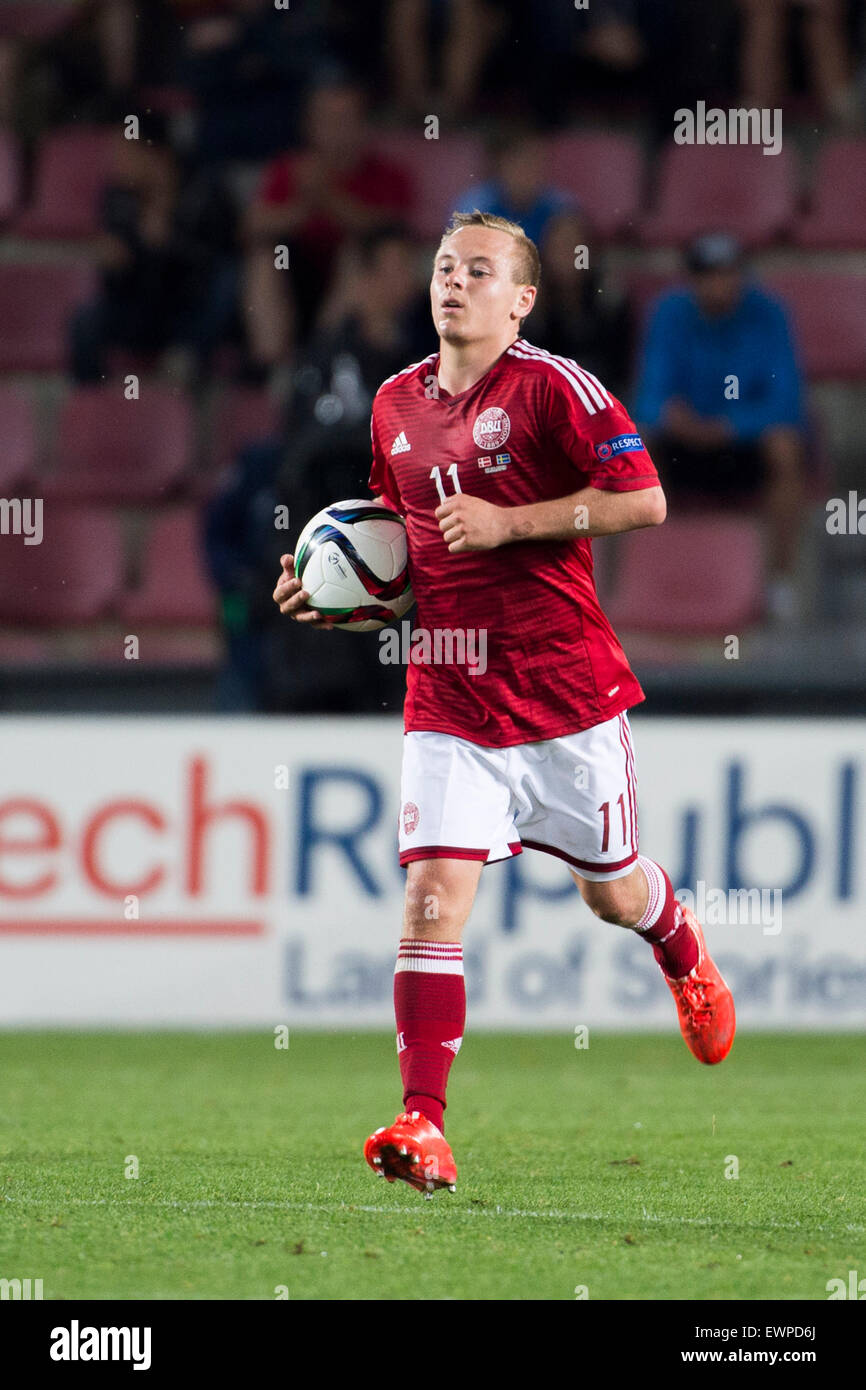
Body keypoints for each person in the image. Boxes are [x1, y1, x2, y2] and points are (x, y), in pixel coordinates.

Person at [273, 210, 736, 1196]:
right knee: (432, 900)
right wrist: (329, 586)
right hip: (447, 690)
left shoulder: (554, 387)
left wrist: (508, 521)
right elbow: (392, 534)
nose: (453, 283)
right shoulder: (394, 403)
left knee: (607, 891)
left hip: (565, 692)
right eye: (445, 267)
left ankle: (679, 945)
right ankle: (422, 1121)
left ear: (520, 297)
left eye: (479, 271)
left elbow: (642, 498)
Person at [634, 232, 806, 622]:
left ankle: (779, 583)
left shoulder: (769, 314)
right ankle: (651, 577)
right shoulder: (669, 313)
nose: (718, 286)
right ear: (692, 280)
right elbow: (650, 397)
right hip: (686, 445)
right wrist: (673, 417)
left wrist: (730, 426)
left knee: (786, 447)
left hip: (744, 445)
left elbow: (787, 403)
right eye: (708, 276)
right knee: (637, 446)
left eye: (727, 275)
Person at [241, 78, 413, 380]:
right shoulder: (290, 168)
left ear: (363, 125)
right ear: (310, 126)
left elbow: (386, 231)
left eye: (346, 120)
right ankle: (271, 368)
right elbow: (253, 225)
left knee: (352, 254)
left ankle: (320, 359)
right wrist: (301, 206)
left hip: (356, 288)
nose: (337, 130)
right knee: (265, 256)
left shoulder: (388, 173)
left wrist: (329, 197)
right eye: (328, 120)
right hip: (295, 281)